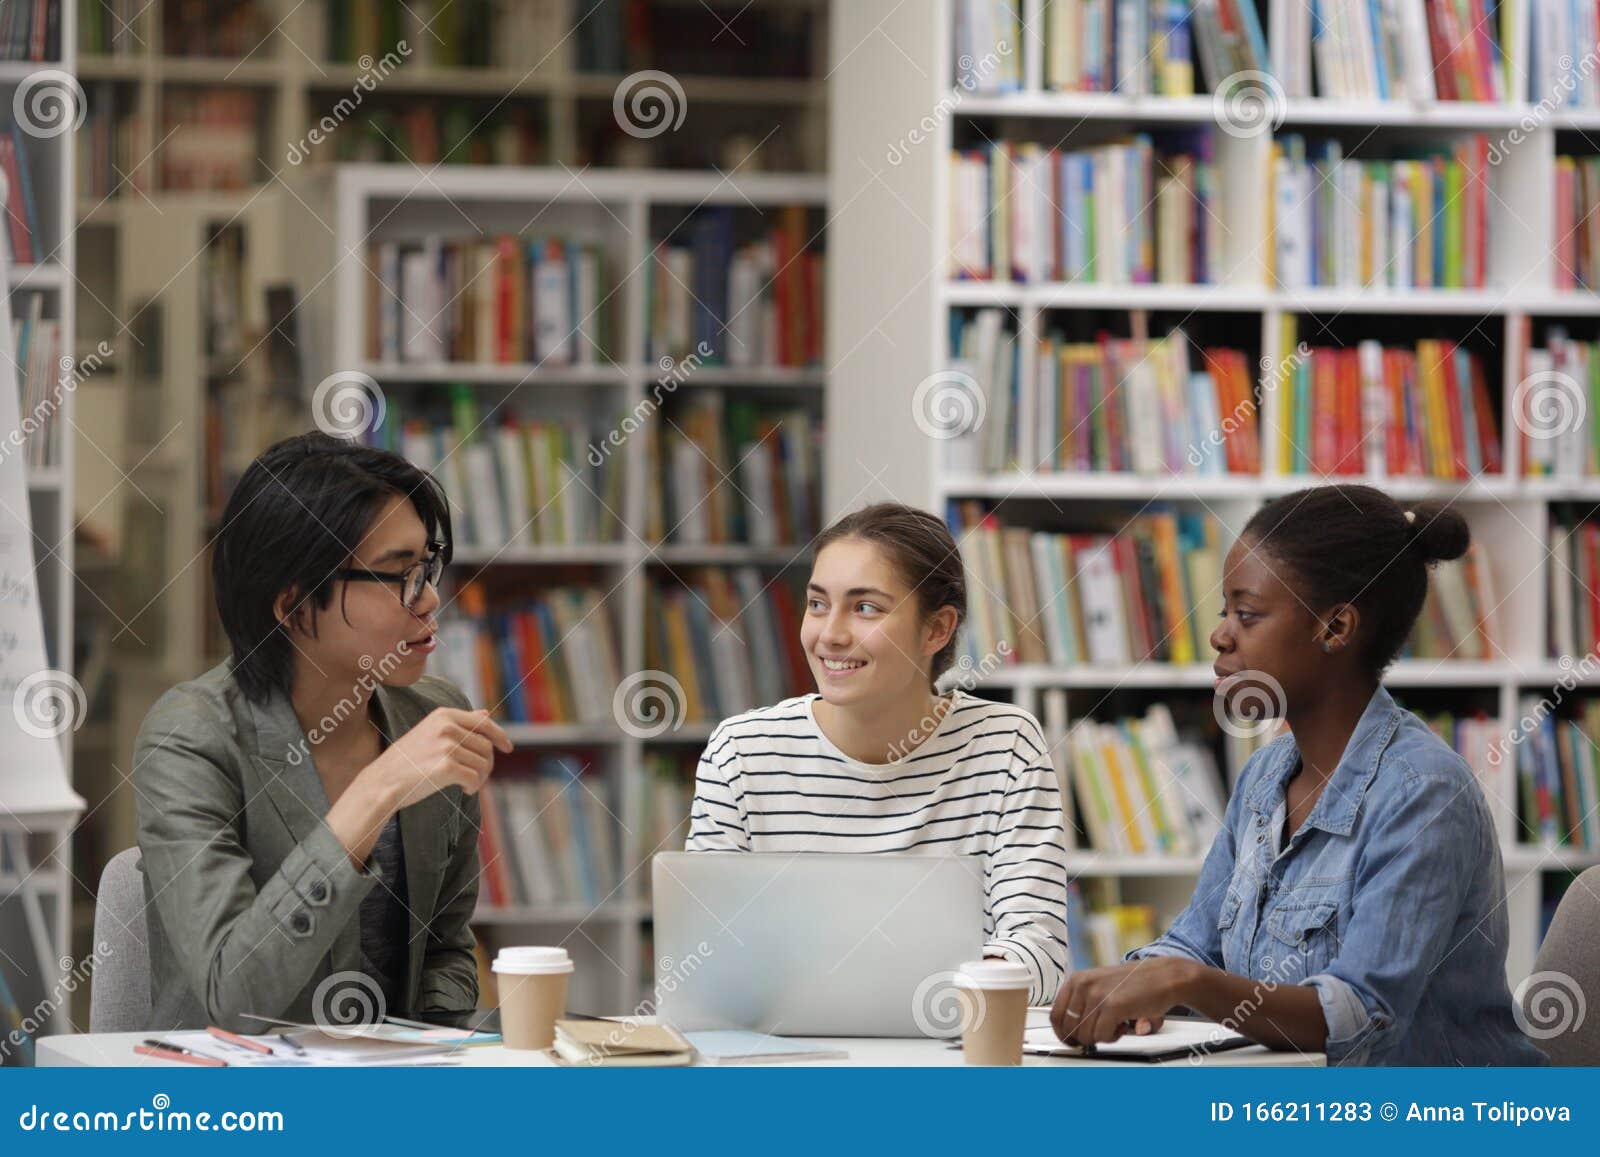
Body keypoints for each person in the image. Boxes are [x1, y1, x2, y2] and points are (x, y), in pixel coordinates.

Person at [1050, 484, 1547, 1065]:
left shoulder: (1424, 793)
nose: (1219, 634)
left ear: (1334, 628)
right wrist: (1129, 982)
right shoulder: (1265, 776)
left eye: (1248, 613)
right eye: (1223, 612)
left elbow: (1361, 1015)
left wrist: (1185, 983)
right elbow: (1195, 943)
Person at [134, 432, 511, 1033]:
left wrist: (439, 1052)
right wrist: (374, 793)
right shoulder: (190, 738)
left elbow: (445, 946)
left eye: (428, 568)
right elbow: (232, 996)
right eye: (398, 576)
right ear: (294, 603)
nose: (431, 598)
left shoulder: (430, 716)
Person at [685, 502, 1068, 1003]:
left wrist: (951, 994)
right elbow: (705, 953)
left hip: (950, 1051)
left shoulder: (1006, 745)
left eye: (865, 608)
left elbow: (1040, 952)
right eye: (818, 604)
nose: (830, 634)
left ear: (937, 629)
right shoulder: (739, 752)